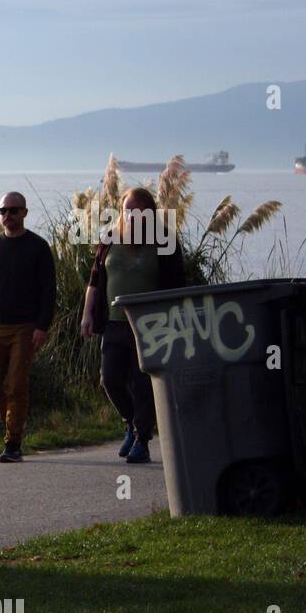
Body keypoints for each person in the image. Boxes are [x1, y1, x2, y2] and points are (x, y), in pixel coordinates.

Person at [79, 186, 186, 464]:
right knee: (110, 379)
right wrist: (87, 314)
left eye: (140, 210)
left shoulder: (164, 241)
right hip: (114, 323)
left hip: (150, 326)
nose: (133, 215)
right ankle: (129, 422)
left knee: (142, 384)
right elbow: (94, 282)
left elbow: (178, 286)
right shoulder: (110, 238)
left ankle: (142, 439)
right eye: (128, 209)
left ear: (150, 213)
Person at [0, 192, 56, 463]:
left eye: (14, 210)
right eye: (3, 210)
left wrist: (42, 326)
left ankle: (13, 444)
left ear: (25, 213)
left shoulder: (38, 247)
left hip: (25, 328)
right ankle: (15, 424)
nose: (8, 215)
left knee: (16, 384)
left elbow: (49, 291)